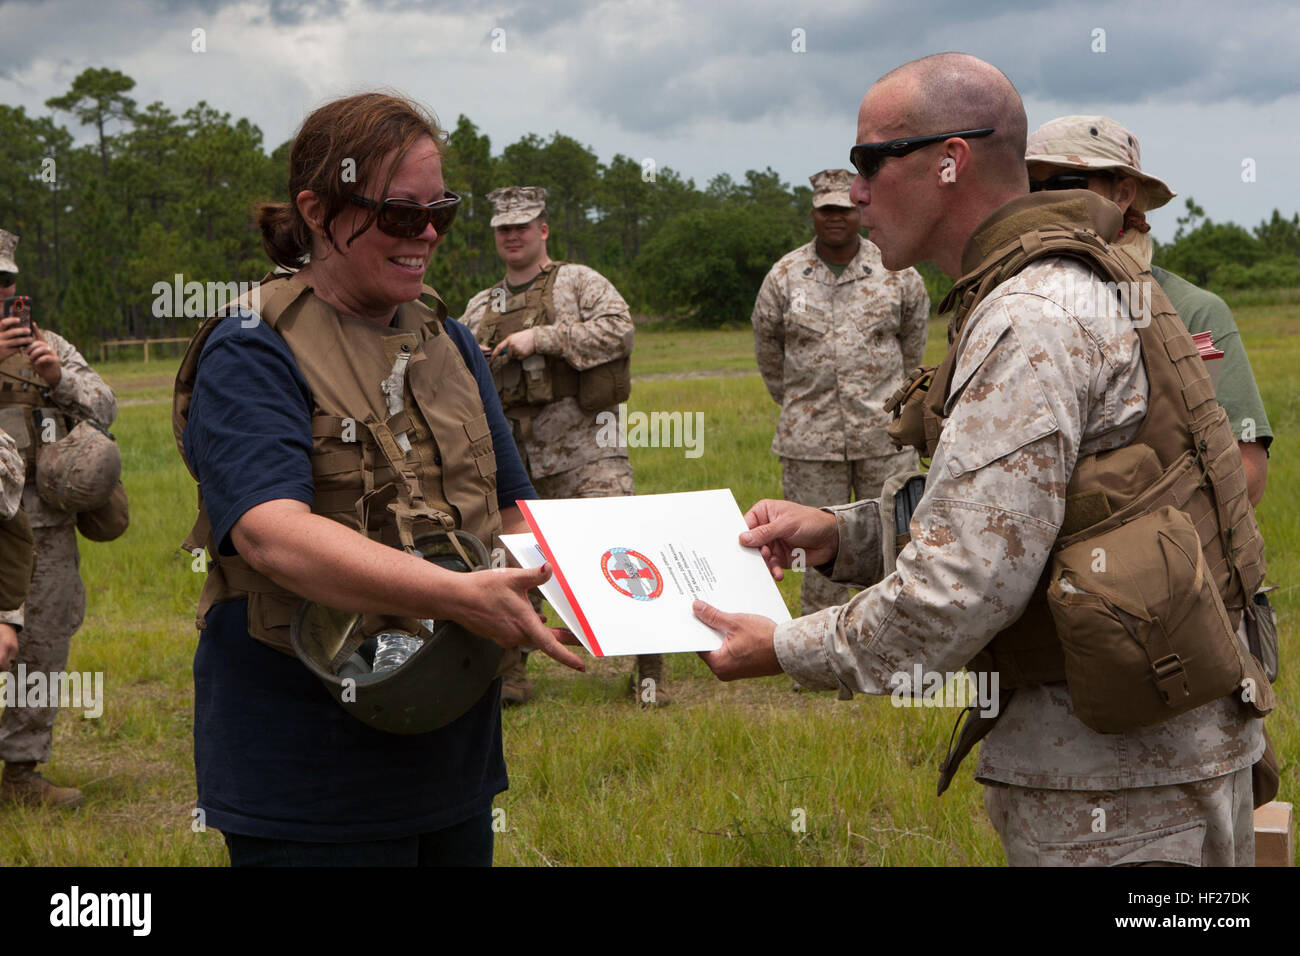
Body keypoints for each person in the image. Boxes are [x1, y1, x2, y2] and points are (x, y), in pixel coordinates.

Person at [692, 53, 1267, 866]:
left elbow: (956, 590)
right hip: (1153, 759)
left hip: (1115, 789)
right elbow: (1033, 510)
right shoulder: (1054, 286)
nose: (854, 192)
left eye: (870, 161)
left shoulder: (1028, 315)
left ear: (949, 161)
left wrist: (782, 647)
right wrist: (840, 533)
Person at [172, 93, 583, 866]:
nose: (426, 233)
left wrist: (636, 585)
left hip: (450, 739)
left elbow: (515, 510)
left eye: (442, 211)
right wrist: (455, 594)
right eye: (400, 214)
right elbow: (270, 532)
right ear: (318, 211)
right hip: (307, 761)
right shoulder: (254, 347)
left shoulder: (449, 339)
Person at [461, 187, 656, 705]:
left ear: (543, 229)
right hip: (514, 458)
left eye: (523, 225)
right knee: (508, 562)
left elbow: (620, 332)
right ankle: (510, 673)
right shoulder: (481, 305)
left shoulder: (578, 282)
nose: (513, 235)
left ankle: (649, 673)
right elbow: (449, 365)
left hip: (587, 450)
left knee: (622, 553)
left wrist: (542, 338)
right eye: (504, 228)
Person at [1024, 115, 1272, 506]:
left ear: (1123, 194)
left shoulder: (1191, 313)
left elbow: (1246, 470)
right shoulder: (1011, 305)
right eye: (1031, 187)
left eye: (1065, 185)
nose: (1044, 201)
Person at [751, 168, 929, 616]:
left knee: (896, 538)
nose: (836, 218)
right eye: (827, 210)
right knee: (810, 547)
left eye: (845, 210)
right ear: (813, 213)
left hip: (883, 437)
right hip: (810, 441)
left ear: (859, 211)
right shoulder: (785, 275)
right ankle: (813, 649)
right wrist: (796, 401)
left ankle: (894, 637)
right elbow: (768, 349)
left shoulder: (896, 269)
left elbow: (913, 346)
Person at [0, 228, 117, 809]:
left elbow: (107, 408)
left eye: (5, 282)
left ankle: (21, 775)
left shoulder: (53, 345)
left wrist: (56, 377)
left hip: (45, 530)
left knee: (43, 650)